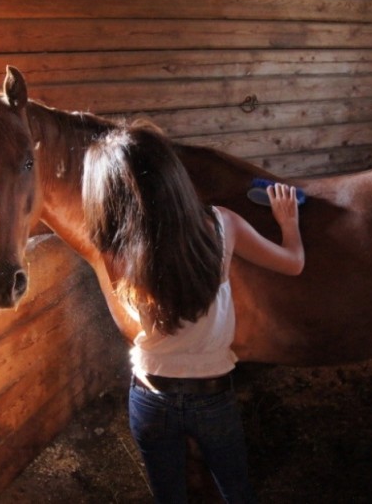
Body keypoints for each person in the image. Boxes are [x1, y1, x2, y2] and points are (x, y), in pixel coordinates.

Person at [81, 125, 305, 504]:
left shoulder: (113, 250)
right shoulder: (222, 225)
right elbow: (293, 264)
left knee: (169, 497)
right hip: (212, 397)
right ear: (172, 175)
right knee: (236, 492)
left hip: (149, 396)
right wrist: (289, 224)